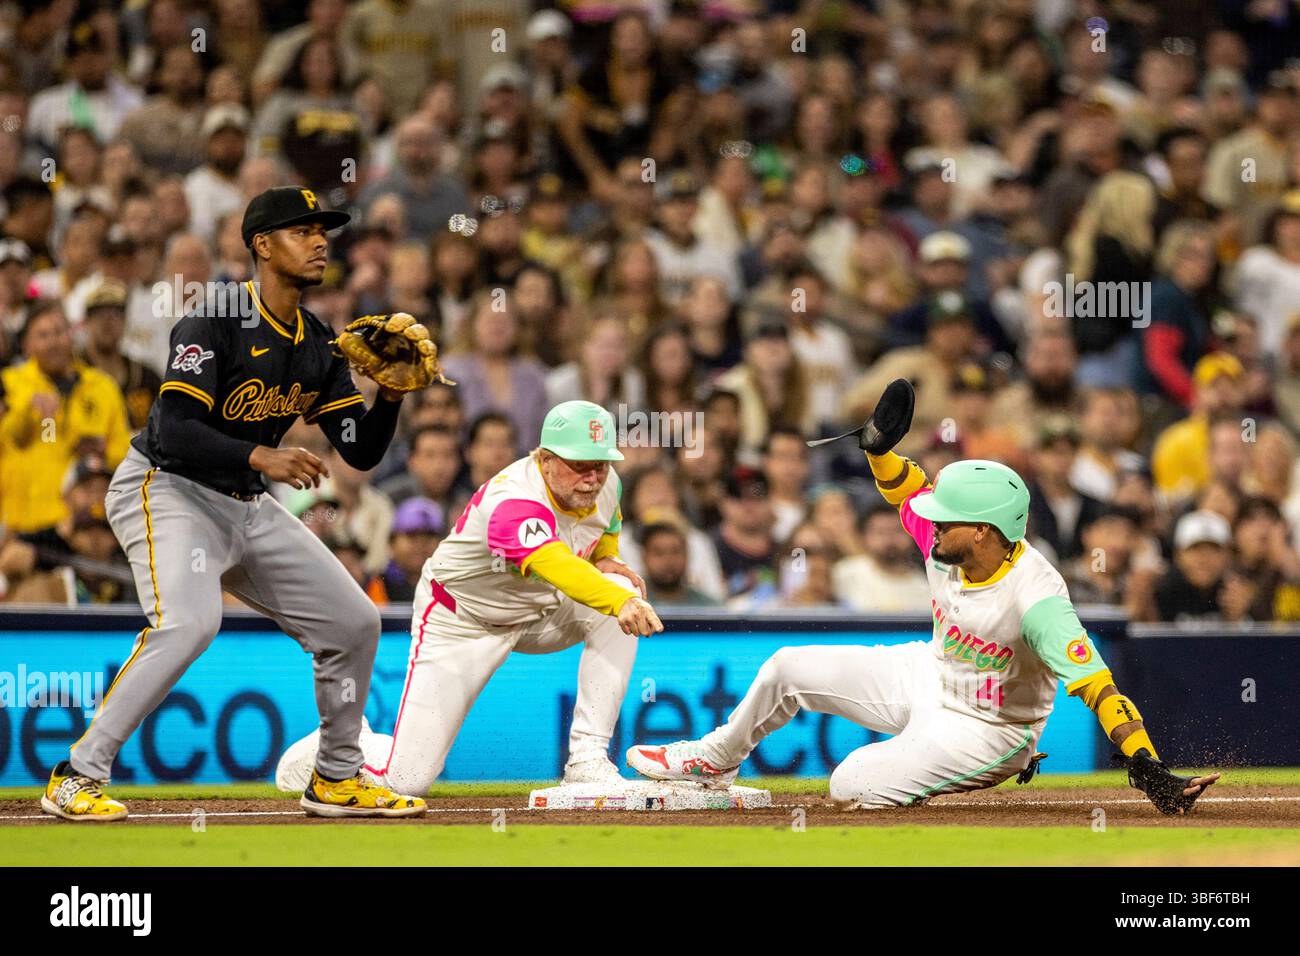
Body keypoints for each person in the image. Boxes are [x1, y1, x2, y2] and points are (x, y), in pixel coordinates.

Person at [628, 380, 1220, 814]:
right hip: (931, 672)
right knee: (786, 666)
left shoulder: (1037, 598)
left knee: (850, 782)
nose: (929, 521)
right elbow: (906, 486)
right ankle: (715, 757)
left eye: (946, 518)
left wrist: (1147, 765)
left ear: (986, 531)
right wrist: (879, 448)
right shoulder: (951, 540)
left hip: (991, 728)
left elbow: (1098, 687)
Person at [40, 187, 426, 822]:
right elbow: (174, 431)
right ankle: (76, 773)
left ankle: (335, 776)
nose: (321, 240)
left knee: (353, 623)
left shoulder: (317, 341)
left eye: (323, 230)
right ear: (262, 245)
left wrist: (387, 395)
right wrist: (263, 457)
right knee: (190, 623)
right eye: (303, 231)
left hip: (244, 503)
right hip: (165, 486)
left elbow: (358, 451)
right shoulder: (214, 317)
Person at [275, 400, 664, 795]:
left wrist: (607, 557)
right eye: (579, 464)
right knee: (406, 781)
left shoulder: (607, 483)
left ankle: (588, 760)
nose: (593, 476)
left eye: (600, 463)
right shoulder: (513, 500)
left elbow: (607, 525)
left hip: (538, 611)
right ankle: (335, 750)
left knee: (623, 591)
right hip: (461, 619)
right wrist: (617, 601)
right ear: (545, 460)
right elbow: (556, 563)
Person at [1, 301, 130, 534]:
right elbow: (7, 438)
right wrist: (27, 414)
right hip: (24, 518)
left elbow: (124, 447)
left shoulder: (102, 386)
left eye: (59, 332)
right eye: (43, 335)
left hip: (86, 522)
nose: (53, 342)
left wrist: (101, 453)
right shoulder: (10, 383)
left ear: (71, 336)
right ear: (28, 345)